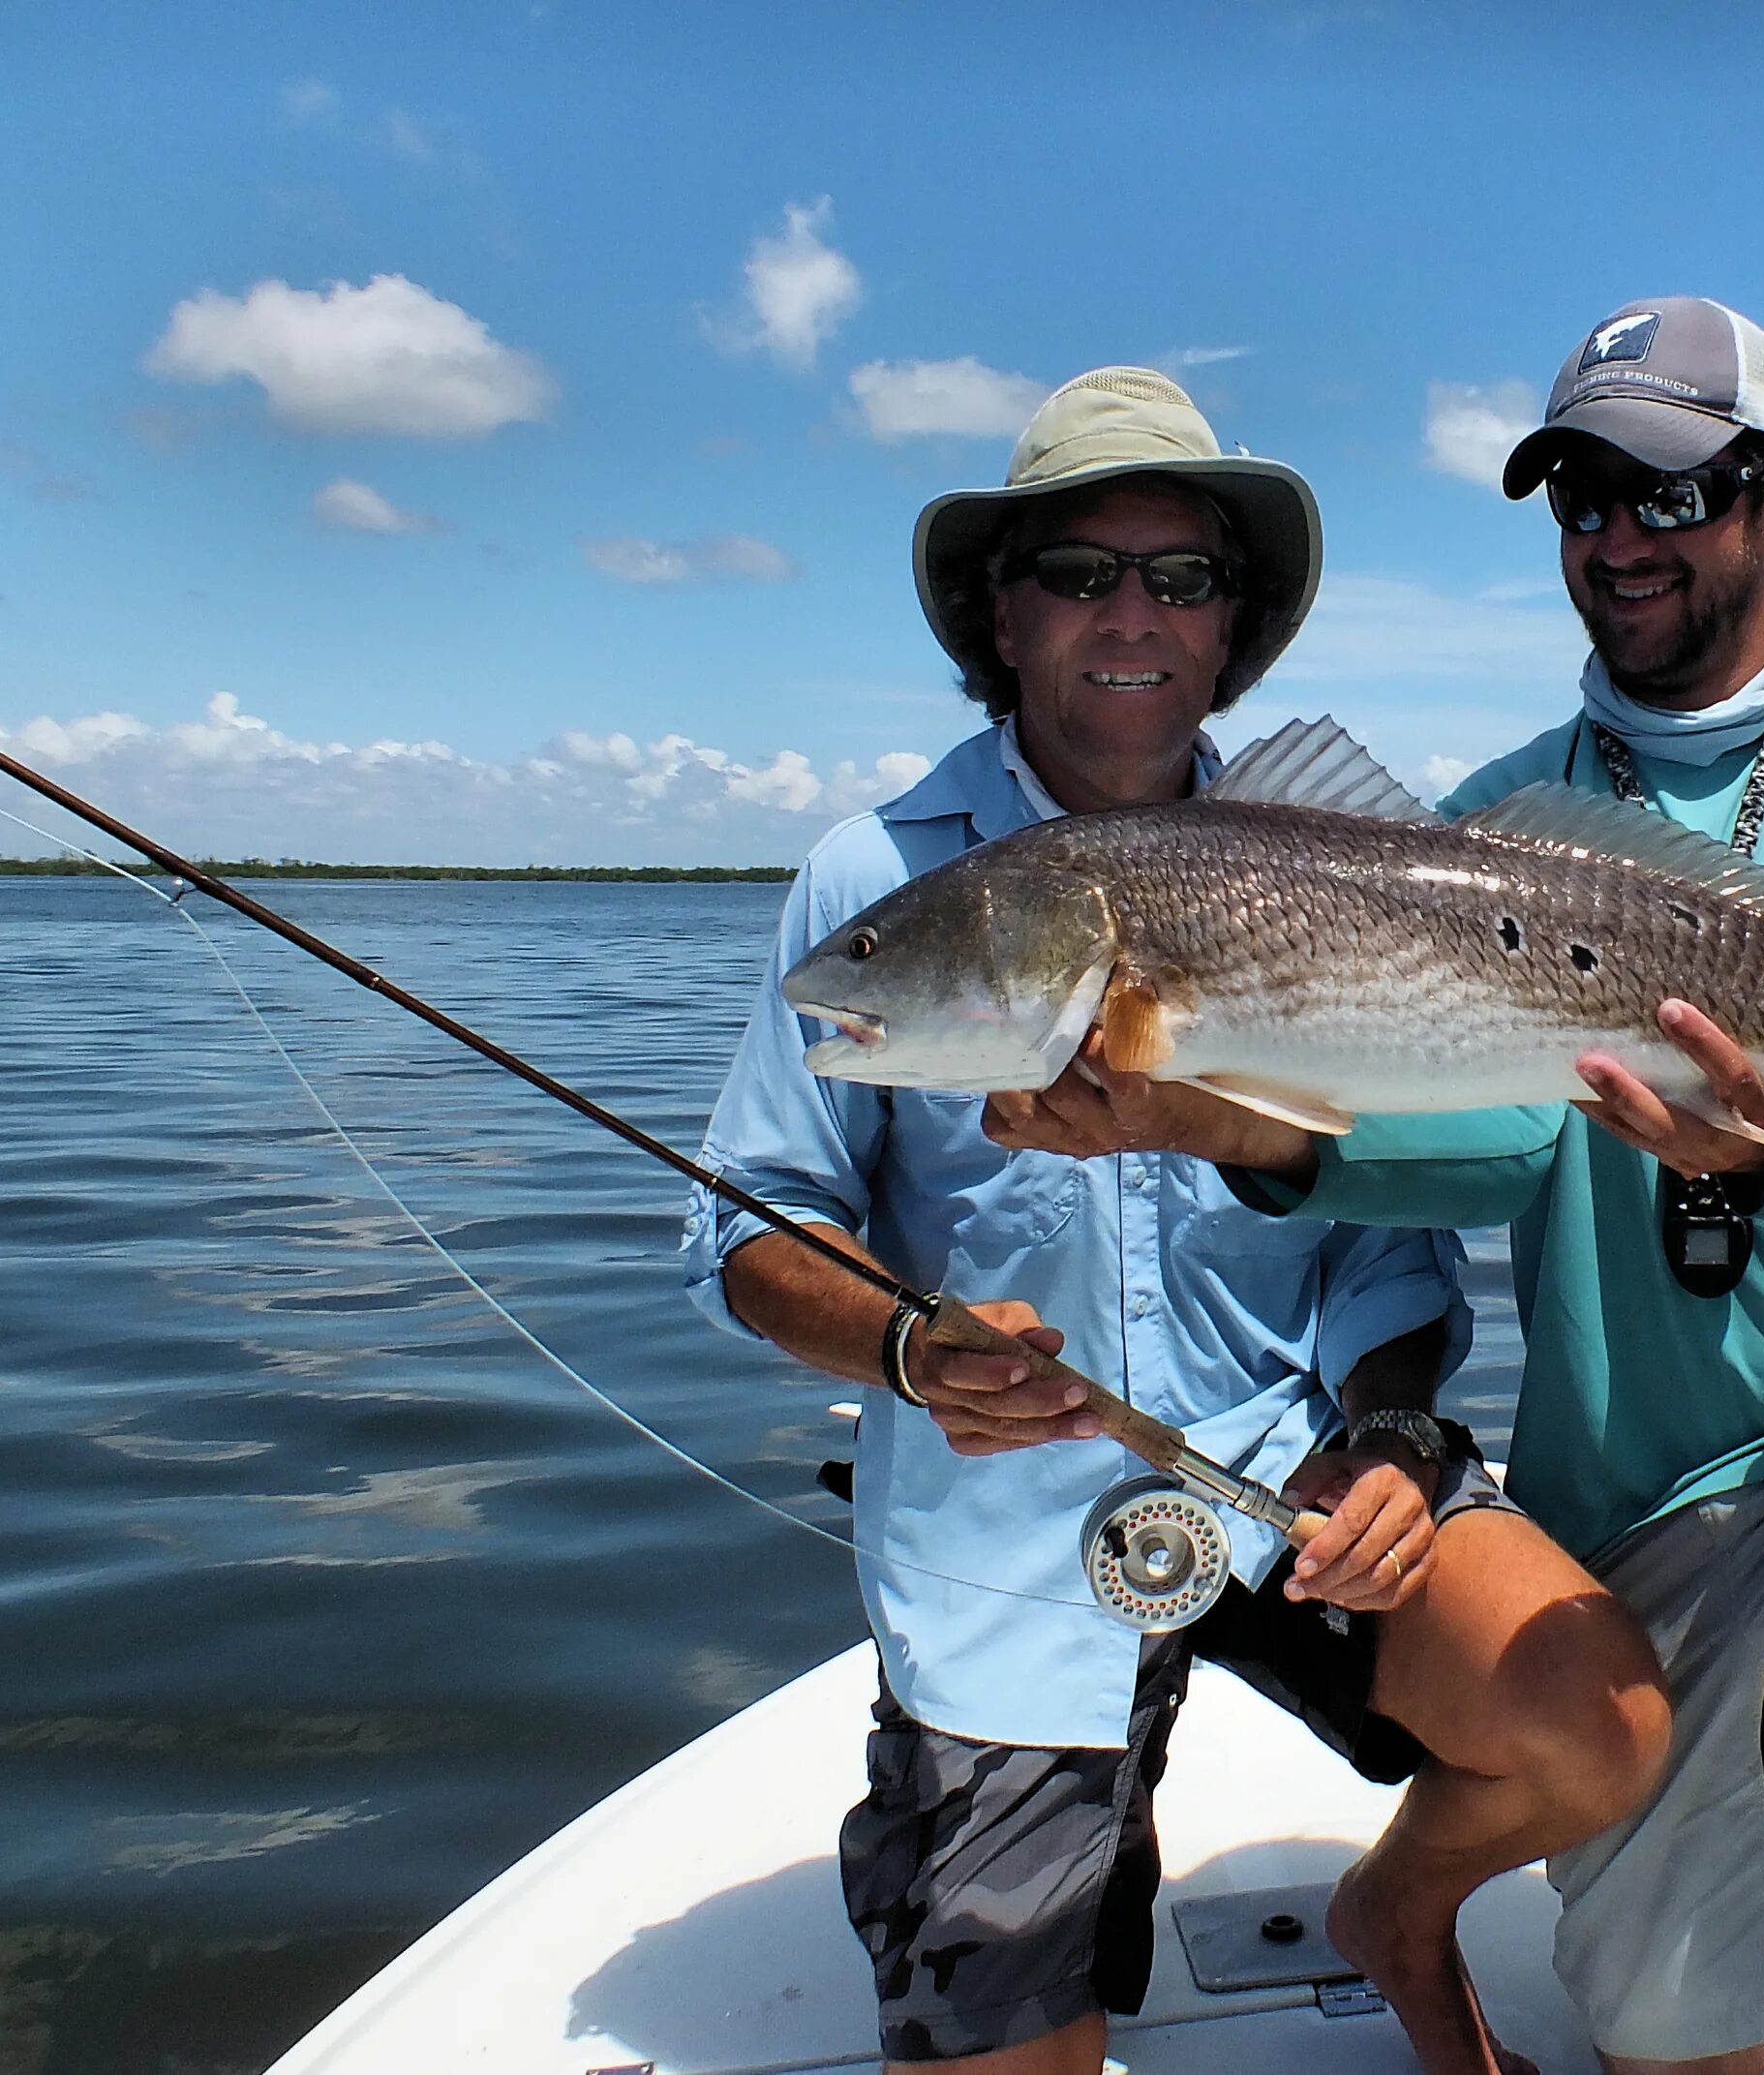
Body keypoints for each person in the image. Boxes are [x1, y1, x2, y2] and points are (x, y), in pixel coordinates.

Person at [990, 304, 1764, 2075]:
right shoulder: (1494, 820)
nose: (1618, 538)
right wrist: (1247, 1132)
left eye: (1673, 494)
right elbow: (1500, 1140)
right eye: (1580, 496)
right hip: (1646, 1482)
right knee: (1679, 2052)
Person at [683, 366, 1667, 2075]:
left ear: (1233, 629)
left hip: (1279, 1481)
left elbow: (1394, 1253)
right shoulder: (879, 880)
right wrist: (910, 1348)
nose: (1129, 615)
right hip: (1004, 1555)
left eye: (1181, 576)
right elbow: (751, 1227)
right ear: (1003, 613)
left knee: (1600, 1721)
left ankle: (1395, 1911)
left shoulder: (1343, 869)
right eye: (1077, 572)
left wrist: (1388, 1440)